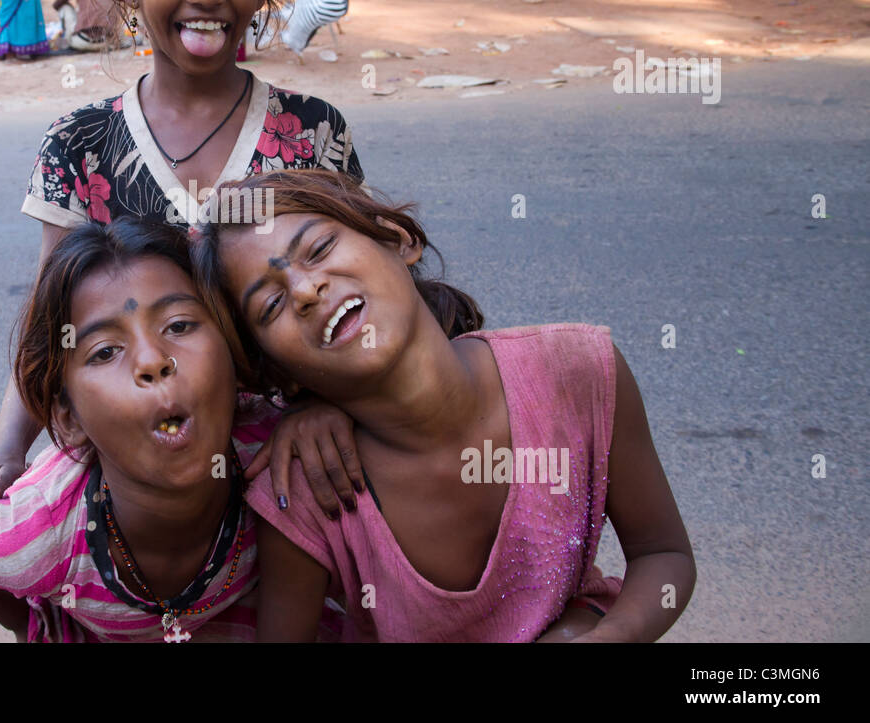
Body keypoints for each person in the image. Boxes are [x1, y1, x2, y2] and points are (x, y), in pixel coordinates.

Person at [0, 0, 370, 553]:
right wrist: (7, 451)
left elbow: (363, 300)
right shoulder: (80, 145)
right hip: (137, 468)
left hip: (294, 468)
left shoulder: (313, 133)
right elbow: (53, 319)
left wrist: (328, 405)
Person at [191, 169, 697, 642]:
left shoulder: (576, 370)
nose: (305, 289)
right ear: (276, 371)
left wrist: (609, 636)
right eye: (271, 305)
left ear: (397, 238)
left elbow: (663, 554)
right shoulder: (308, 492)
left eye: (319, 248)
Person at [0, 220, 326, 641]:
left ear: (232, 358)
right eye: (106, 351)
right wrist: (36, 625)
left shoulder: (280, 456)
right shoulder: (34, 535)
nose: (153, 362)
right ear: (69, 419)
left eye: (179, 326)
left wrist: (320, 410)